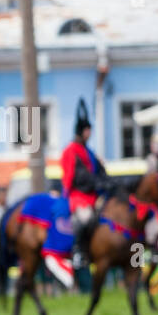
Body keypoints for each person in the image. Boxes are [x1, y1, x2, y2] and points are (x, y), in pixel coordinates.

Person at [60, 100, 107, 260]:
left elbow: (99, 171)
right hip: (79, 196)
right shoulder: (71, 151)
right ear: (81, 131)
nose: (89, 134)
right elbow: (77, 177)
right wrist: (95, 182)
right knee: (85, 219)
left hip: (95, 194)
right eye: (87, 130)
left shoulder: (89, 151)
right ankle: (79, 251)